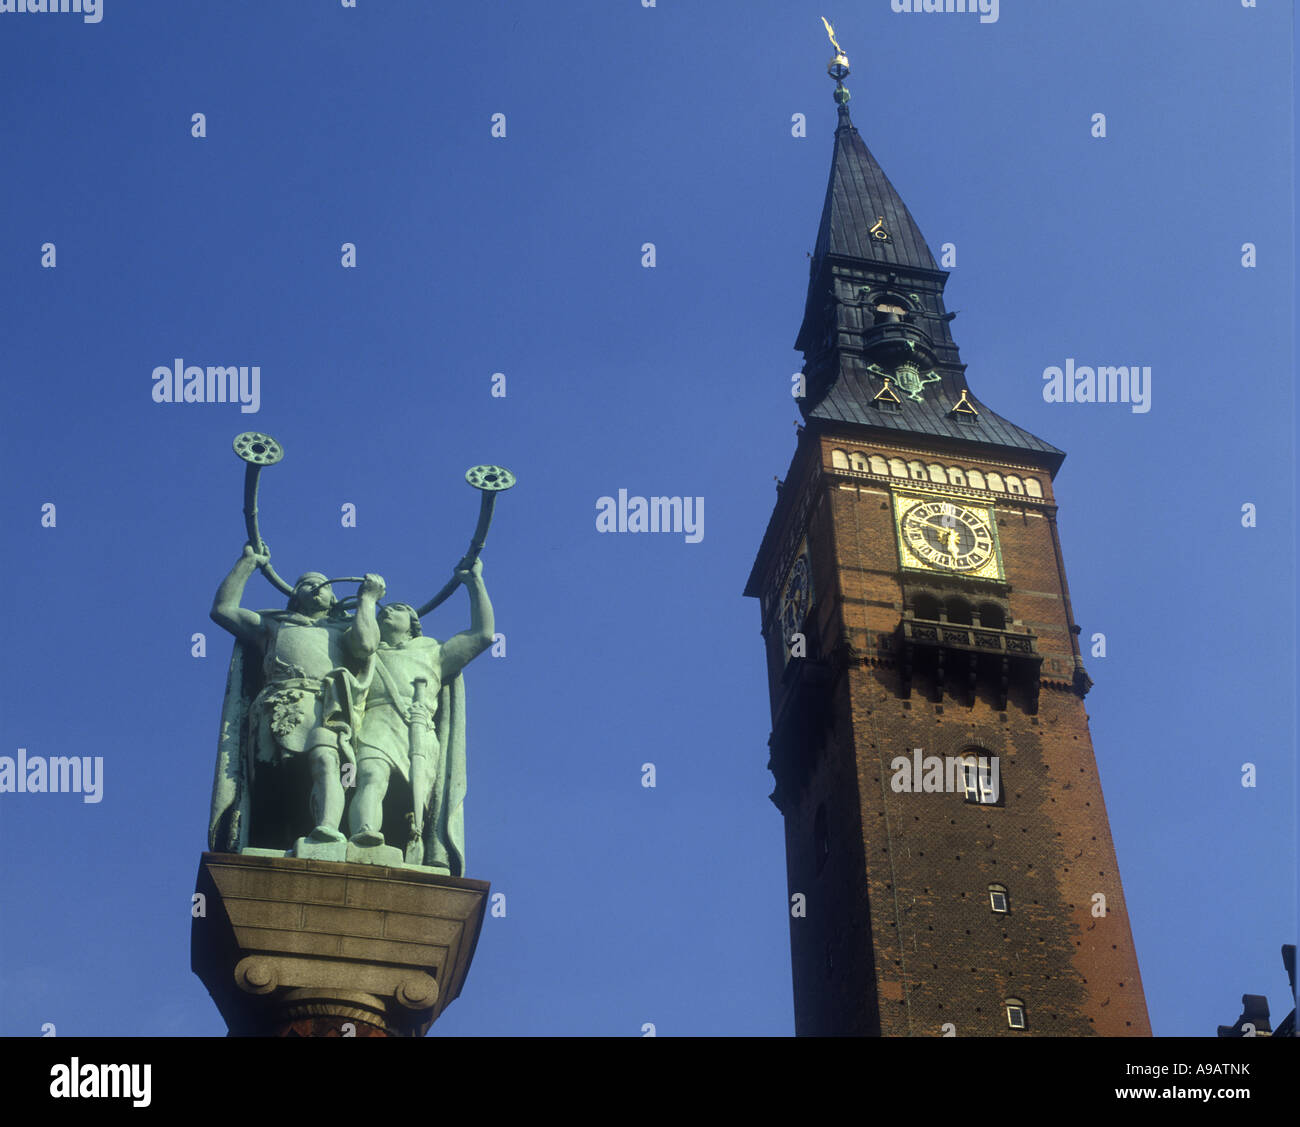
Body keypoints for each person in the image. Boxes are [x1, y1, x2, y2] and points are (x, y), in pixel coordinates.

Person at [208, 544, 384, 850]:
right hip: (278, 706)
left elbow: (368, 645)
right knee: (268, 780)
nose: (315, 586)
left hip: (325, 705)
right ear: (295, 595)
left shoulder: (343, 629)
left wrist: (367, 601)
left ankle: (327, 829)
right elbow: (223, 610)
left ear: (332, 598)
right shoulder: (274, 625)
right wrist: (248, 563)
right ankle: (261, 838)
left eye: (321, 584)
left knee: (326, 760)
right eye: (306, 583)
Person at [350, 558, 493, 873]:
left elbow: (483, 635)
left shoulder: (433, 651)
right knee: (372, 776)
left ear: (414, 623)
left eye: (399, 608)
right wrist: (366, 600)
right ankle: (364, 835)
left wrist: (474, 583)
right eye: (386, 608)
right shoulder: (363, 649)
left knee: (419, 807)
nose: (389, 610)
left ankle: (419, 844)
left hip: (418, 732)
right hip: (375, 720)